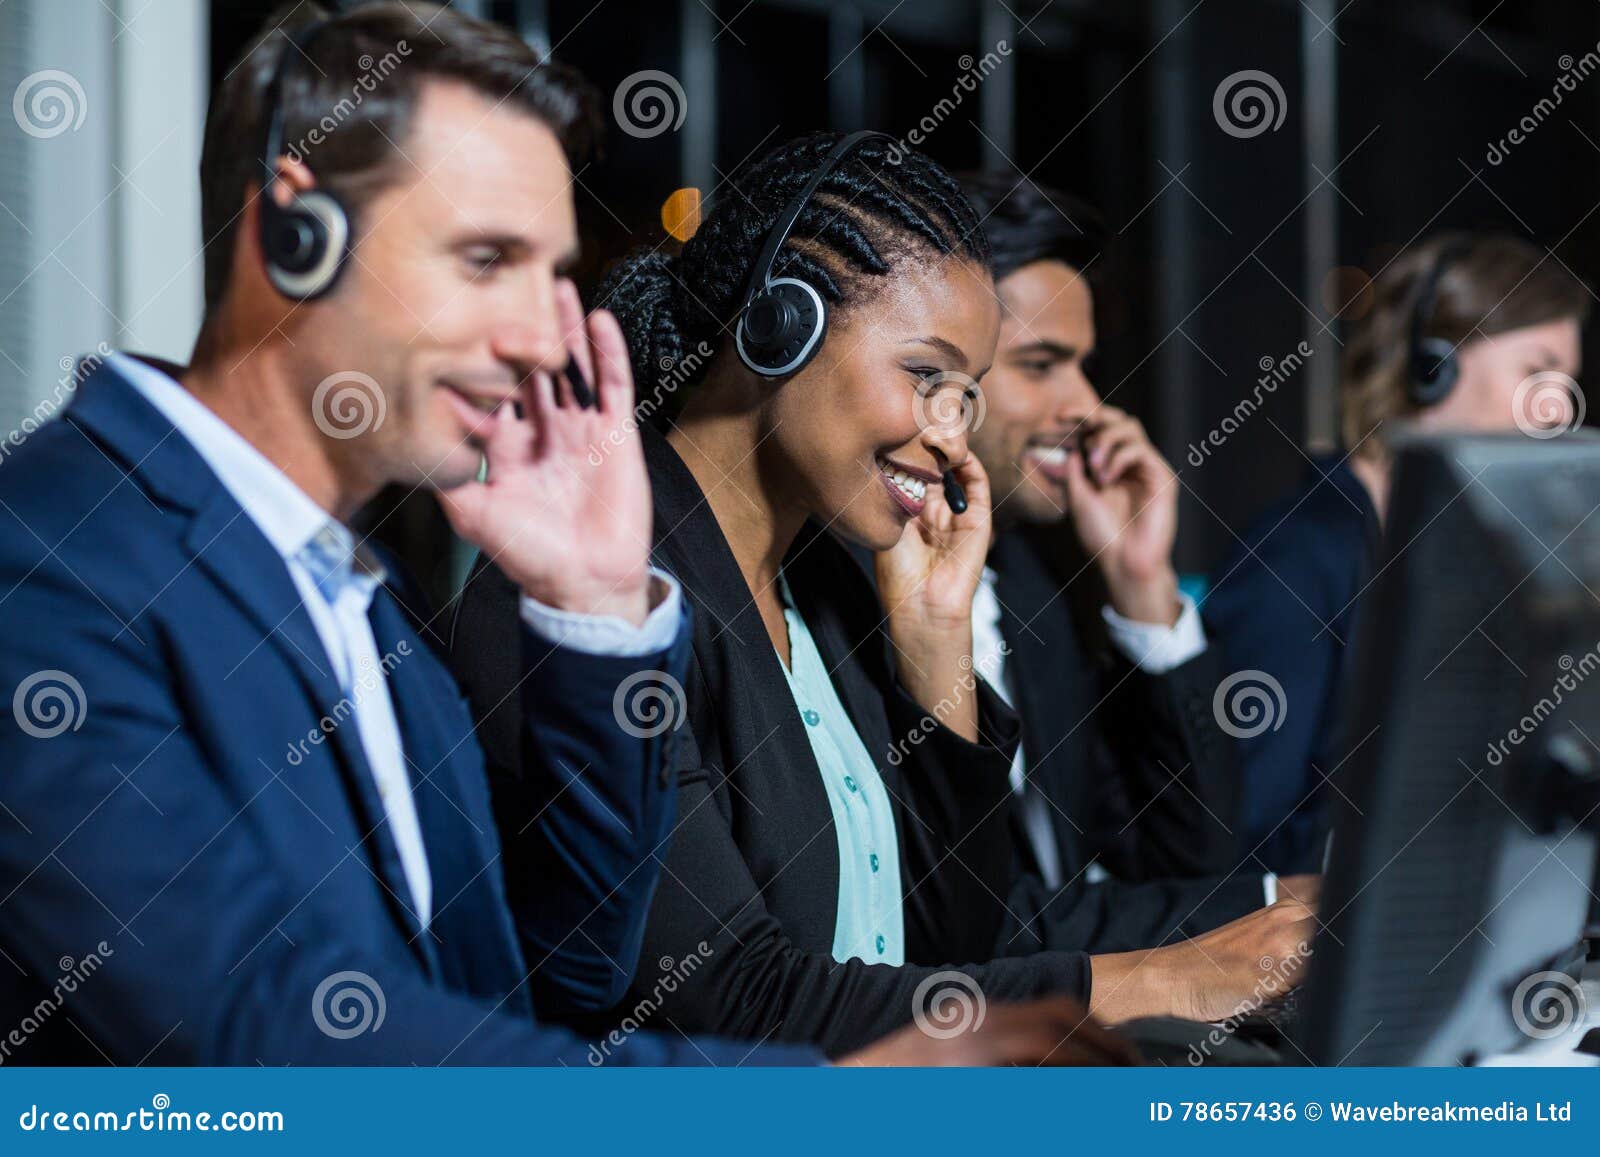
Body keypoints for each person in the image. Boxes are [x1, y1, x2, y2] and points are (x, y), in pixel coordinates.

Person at [0, 4, 1126, 1069]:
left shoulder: (364, 593)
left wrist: (596, 628)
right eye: (487, 260)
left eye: (553, 272)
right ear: (295, 230)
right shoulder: (46, 563)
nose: (545, 334)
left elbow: (558, 968)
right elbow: (264, 1033)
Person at [452, 131, 1315, 1059]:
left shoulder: (827, 587)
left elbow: (960, 948)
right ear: (777, 326)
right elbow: (728, 1002)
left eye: (968, 395)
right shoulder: (590, 599)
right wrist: (1162, 978)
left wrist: (937, 653)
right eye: (927, 377)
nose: (951, 435)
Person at [954, 173, 1308, 955]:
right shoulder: (842, 603)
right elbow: (965, 935)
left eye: (1083, 364)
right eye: (1041, 363)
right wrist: (1268, 906)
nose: (1083, 402)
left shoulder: (1029, 596)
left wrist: (1144, 586)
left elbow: (1190, 862)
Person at [1204, 232, 1589, 873]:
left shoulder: (1464, 560)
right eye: (1536, 372)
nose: (1557, 412)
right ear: (1432, 368)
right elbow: (1248, 836)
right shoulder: (1300, 556)